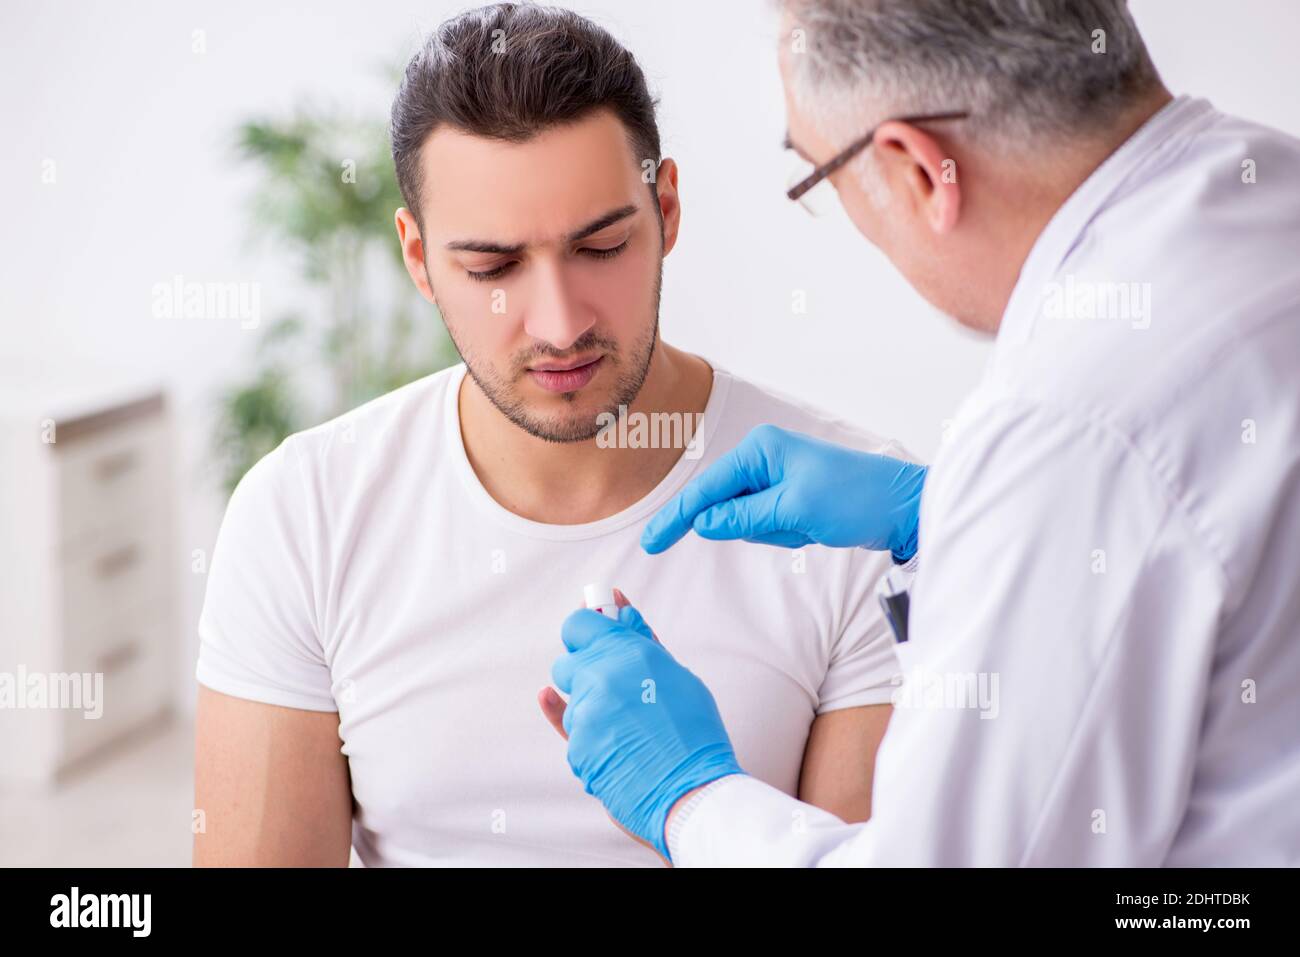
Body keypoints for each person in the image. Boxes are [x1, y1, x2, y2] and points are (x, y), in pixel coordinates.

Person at [550, 0, 1300, 865]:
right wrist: (946, 516)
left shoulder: (1068, 426)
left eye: (817, 176)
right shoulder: (1269, 187)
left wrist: (689, 792)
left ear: (915, 168)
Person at [192, 2, 914, 867]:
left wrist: (690, 797)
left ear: (668, 209)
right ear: (418, 258)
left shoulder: (863, 517)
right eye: (493, 268)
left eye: (602, 246)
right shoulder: (303, 516)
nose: (561, 323)